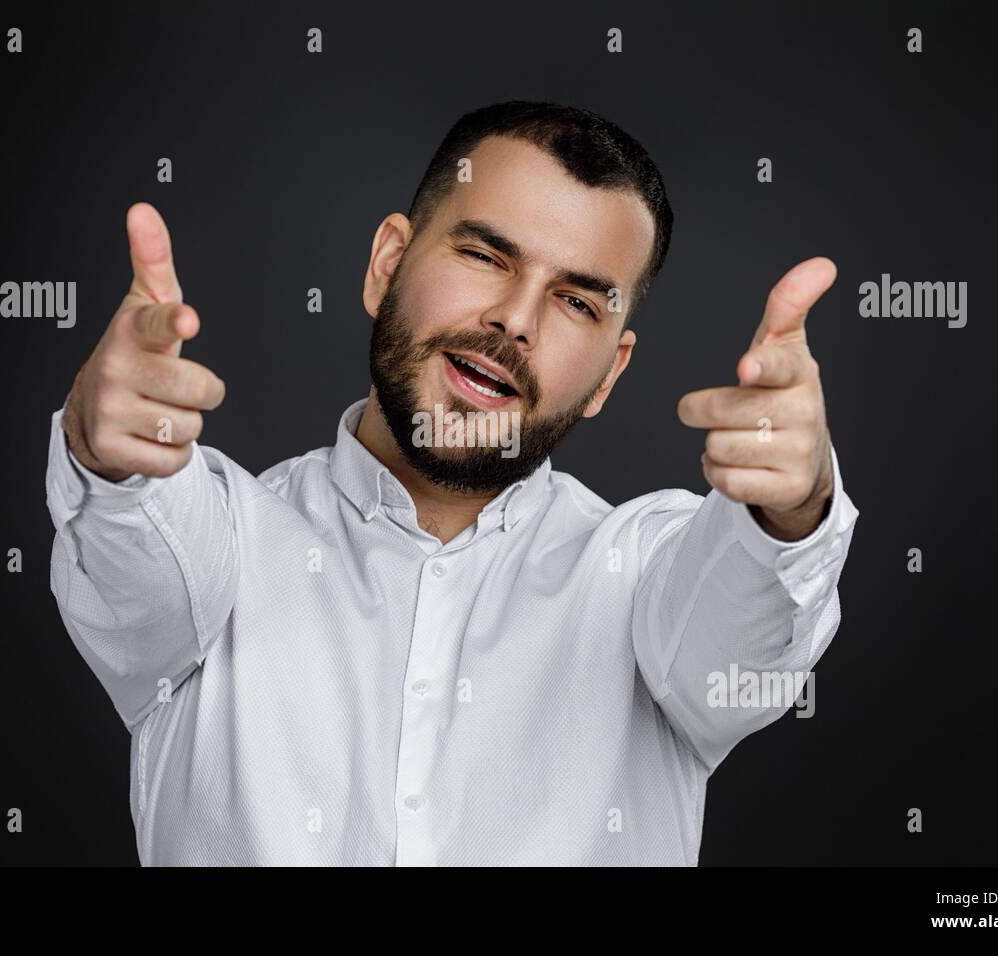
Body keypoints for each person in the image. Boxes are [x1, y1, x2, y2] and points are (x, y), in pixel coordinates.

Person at [45, 100, 859, 865]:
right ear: (387, 263)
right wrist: (107, 443)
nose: (515, 319)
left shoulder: (646, 577)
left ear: (610, 375)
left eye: (575, 301)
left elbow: (746, 610)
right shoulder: (221, 545)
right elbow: (133, 536)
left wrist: (788, 504)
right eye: (484, 256)